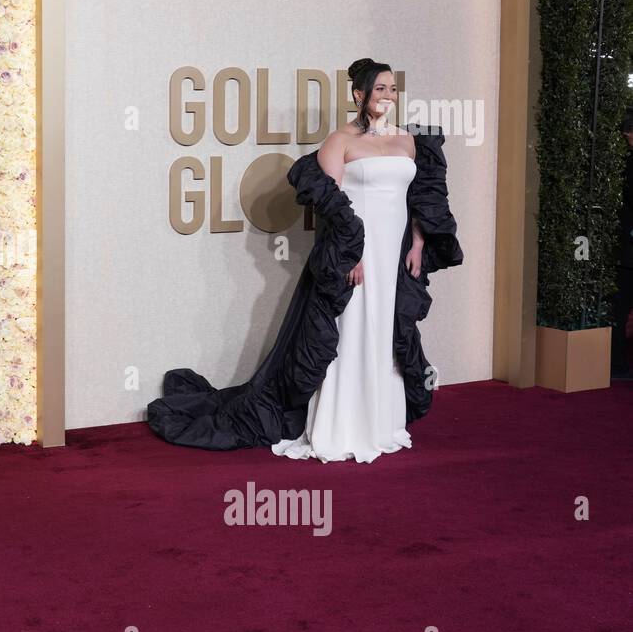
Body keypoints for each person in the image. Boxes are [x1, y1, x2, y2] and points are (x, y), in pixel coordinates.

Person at [146, 58, 463, 462]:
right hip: (356, 252)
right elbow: (332, 206)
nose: (387, 96)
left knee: (387, 330)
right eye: (379, 89)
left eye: (392, 89)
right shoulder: (340, 141)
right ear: (359, 95)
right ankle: (342, 426)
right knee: (349, 330)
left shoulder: (410, 141)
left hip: (394, 254)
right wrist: (349, 254)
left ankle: (383, 423)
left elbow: (423, 198)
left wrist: (418, 243)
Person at [611, 108, 633, 381]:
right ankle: (616, 364)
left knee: (620, 307)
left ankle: (617, 364)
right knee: (619, 307)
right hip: (627, 250)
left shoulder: (624, 162)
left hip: (626, 250)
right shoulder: (625, 163)